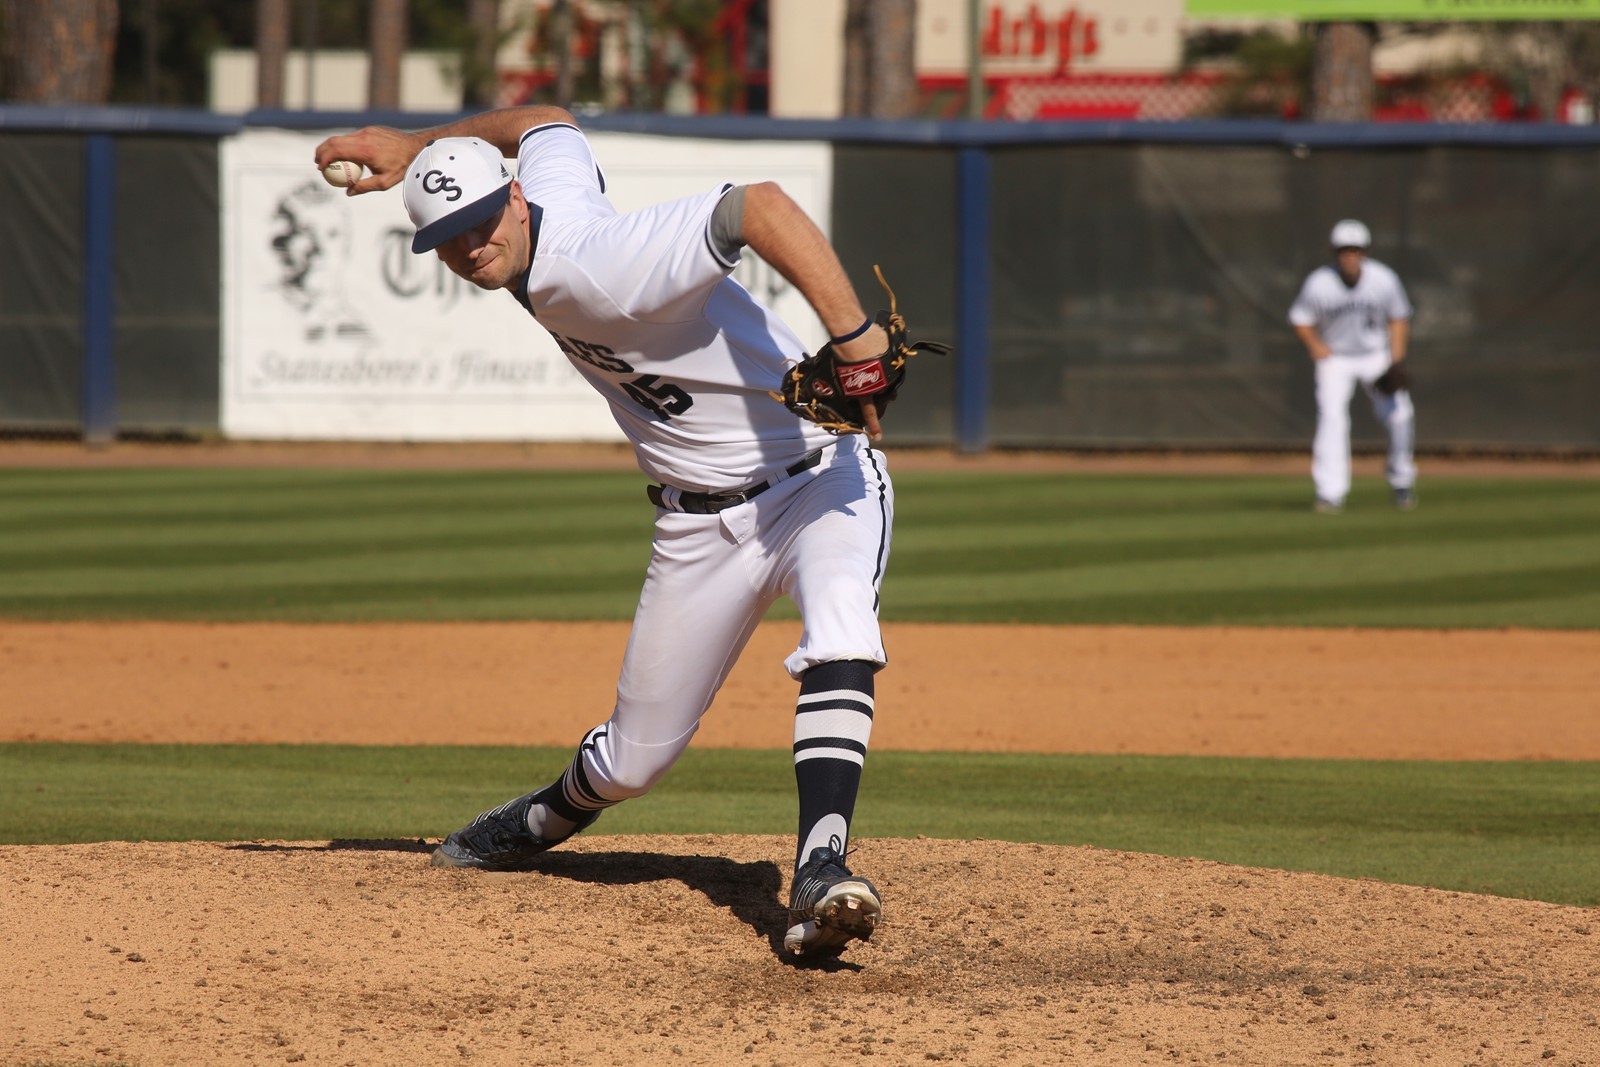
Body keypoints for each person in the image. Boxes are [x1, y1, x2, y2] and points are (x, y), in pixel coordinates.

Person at [315, 107, 908, 961]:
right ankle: (540, 815)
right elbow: (548, 120)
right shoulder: (539, 208)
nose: (470, 244)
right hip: (697, 522)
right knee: (632, 763)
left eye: (481, 220)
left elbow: (762, 207)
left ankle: (822, 865)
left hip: (820, 478)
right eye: (447, 236)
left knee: (842, 622)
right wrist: (414, 147)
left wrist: (855, 340)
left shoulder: (603, 264)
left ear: (515, 202)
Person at [1289, 219, 1417, 513]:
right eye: (1344, 250)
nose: (1350, 256)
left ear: (1365, 252)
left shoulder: (1384, 279)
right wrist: (1315, 345)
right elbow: (1300, 318)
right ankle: (1330, 492)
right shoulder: (1319, 283)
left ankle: (1401, 479)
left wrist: (1396, 361)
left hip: (1375, 354)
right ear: (1334, 253)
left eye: (1355, 250)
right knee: (1332, 420)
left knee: (1399, 415)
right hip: (1337, 358)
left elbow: (1399, 318)